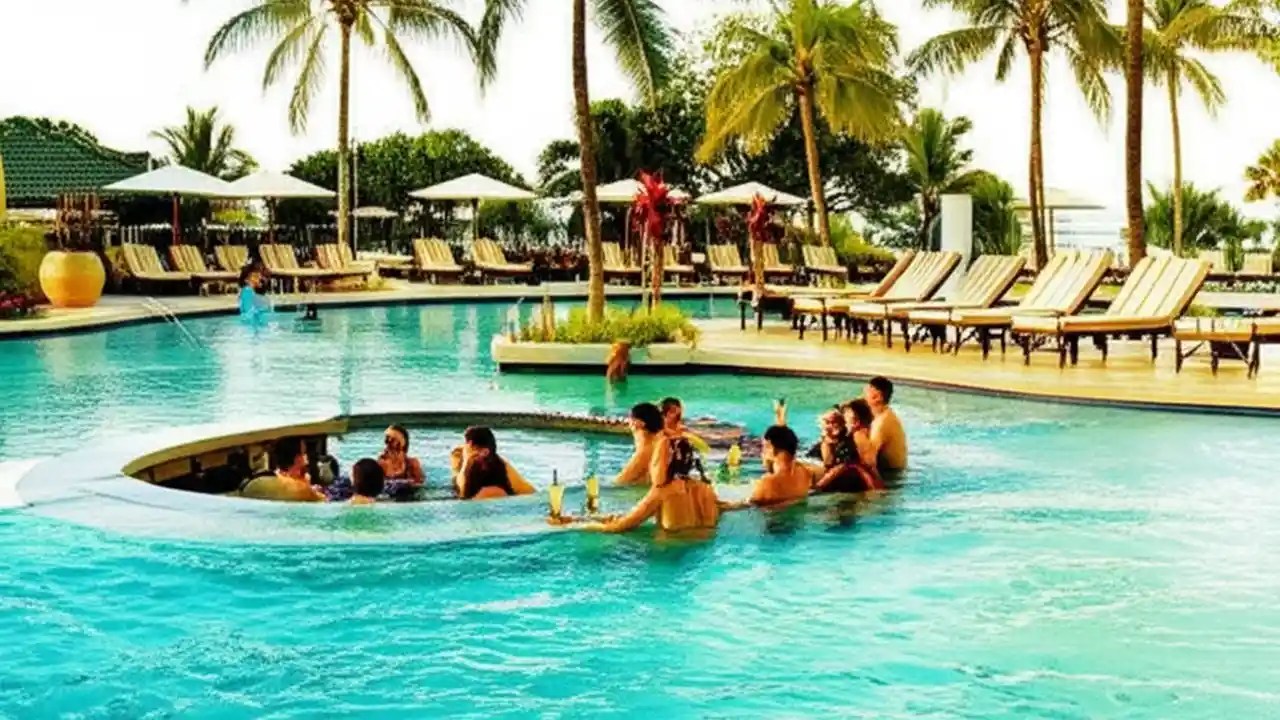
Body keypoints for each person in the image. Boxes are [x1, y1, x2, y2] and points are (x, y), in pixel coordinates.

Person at [575, 413, 719, 534]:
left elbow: (617, 527)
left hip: (668, 559)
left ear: (664, 463)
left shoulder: (662, 491)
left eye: (655, 460)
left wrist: (573, 526)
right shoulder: (706, 489)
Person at [724, 425, 812, 509]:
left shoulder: (768, 482)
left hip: (773, 522)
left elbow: (745, 506)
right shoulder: (805, 475)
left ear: (772, 448)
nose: (762, 453)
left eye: (763, 447)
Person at [452, 426, 536, 500]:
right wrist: (466, 462)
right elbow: (461, 492)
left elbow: (530, 493)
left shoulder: (504, 470)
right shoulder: (460, 455)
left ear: (485, 452)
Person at [239, 437, 326, 502]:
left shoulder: (267, 479)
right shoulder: (302, 490)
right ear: (297, 458)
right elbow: (324, 500)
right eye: (304, 453)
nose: (306, 458)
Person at [613, 403, 663, 486]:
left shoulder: (645, 452)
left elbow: (618, 483)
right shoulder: (659, 443)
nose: (628, 422)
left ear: (639, 423)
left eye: (630, 418)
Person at [864, 376, 908, 472]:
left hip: (891, 476)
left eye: (868, 391)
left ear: (877, 397)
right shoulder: (883, 413)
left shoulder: (881, 423)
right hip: (895, 471)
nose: (864, 393)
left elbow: (868, 459)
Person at [379, 424, 425, 492]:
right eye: (387, 438)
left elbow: (420, 484)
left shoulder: (412, 463)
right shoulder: (381, 464)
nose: (388, 442)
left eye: (393, 439)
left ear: (402, 443)